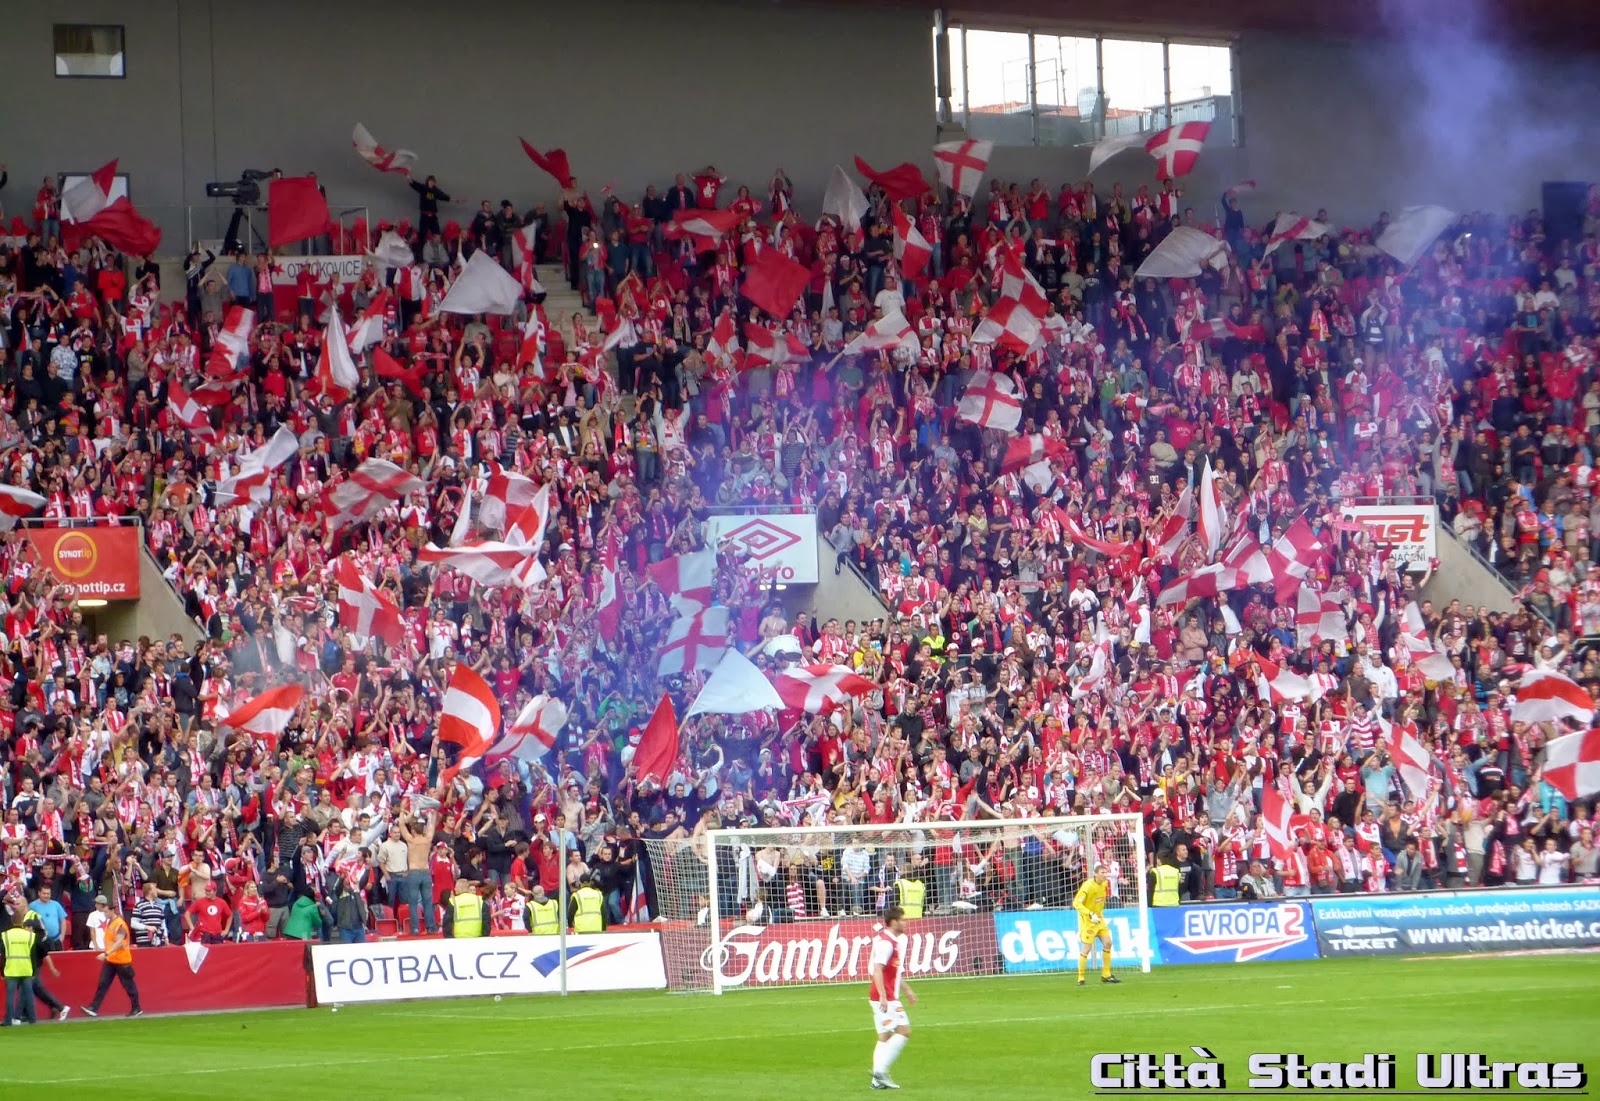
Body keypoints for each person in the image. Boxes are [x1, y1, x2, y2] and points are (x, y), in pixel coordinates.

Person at [869, 904, 916, 1091]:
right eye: (903, 920)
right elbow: (877, 969)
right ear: (894, 922)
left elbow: (892, 972)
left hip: (885, 995)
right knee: (904, 1031)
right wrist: (883, 996)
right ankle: (880, 1071)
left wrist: (907, 989)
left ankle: (876, 1082)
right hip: (885, 998)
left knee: (885, 1035)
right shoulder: (886, 943)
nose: (905, 923)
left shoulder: (891, 941)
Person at [80, 896, 142, 1019]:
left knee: (128, 985)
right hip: (112, 959)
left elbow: (119, 942)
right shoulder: (111, 923)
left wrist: (106, 953)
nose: (105, 914)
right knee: (103, 983)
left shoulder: (120, 925)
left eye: (106, 911)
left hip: (121, 960)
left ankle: (136, 1007)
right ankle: (94, 1007)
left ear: (112, 910)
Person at [1073, 863, 1120, 987]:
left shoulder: (1104, 884)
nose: (1105, 875)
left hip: (1099, 918)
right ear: (1095, 874)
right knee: (1087, 949)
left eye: (1105, 873)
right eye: (1102, 873)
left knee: (1108, 943)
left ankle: (1106, 974)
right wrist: (1090, 914)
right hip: (1089, 921)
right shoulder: (1087, 886)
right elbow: (1076, 904)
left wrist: (1097, 914)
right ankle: (1081, 977)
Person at [1, 901, 39, 1026]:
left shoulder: (5, 935)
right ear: (22, 921)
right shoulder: (30, 936)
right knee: (29, 994)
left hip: (11, 968)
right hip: (26, 968)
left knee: (10, 995)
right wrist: (33, 969)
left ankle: (8, 1020)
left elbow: (3, 954)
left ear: (12, 921)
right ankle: (33, 1019)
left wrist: (2, 969)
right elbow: (33, 955)